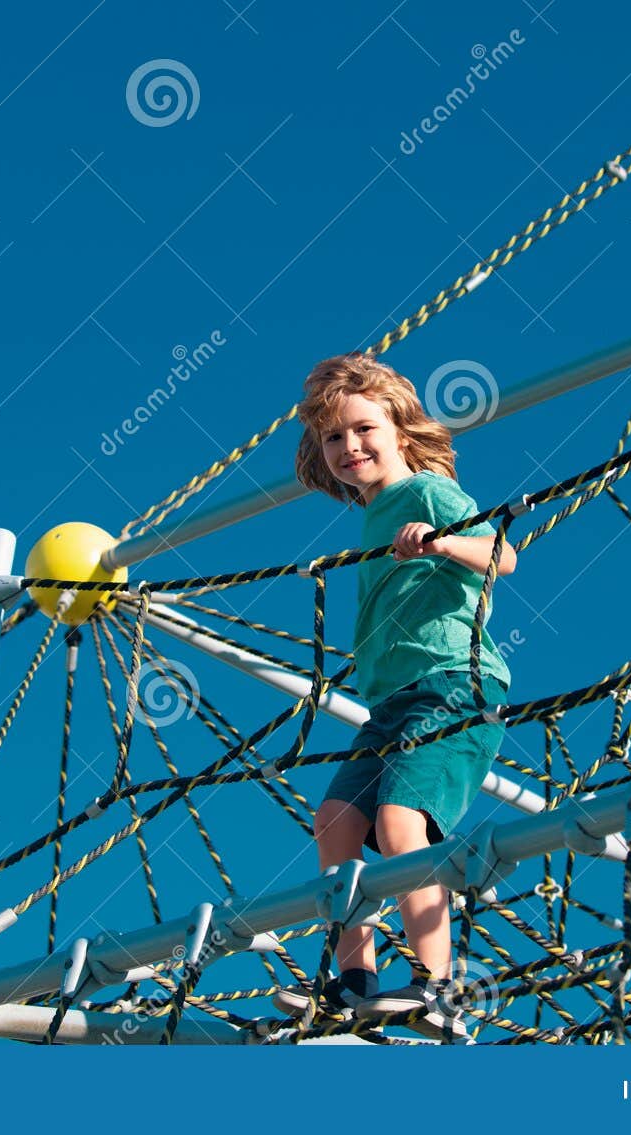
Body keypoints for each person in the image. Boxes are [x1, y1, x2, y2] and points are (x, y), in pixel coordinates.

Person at [274, 352, 515, 1039]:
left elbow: (504, 553)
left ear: (400, 432)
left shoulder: (426, 493)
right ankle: (354, 980)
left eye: (363, 429)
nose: (350, 447)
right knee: (335, 819)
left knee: (399, 821)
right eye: (333, 438)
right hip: (391, 704)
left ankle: (440, 984)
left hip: (452, 686)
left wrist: (441, 544)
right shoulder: (373, 517)